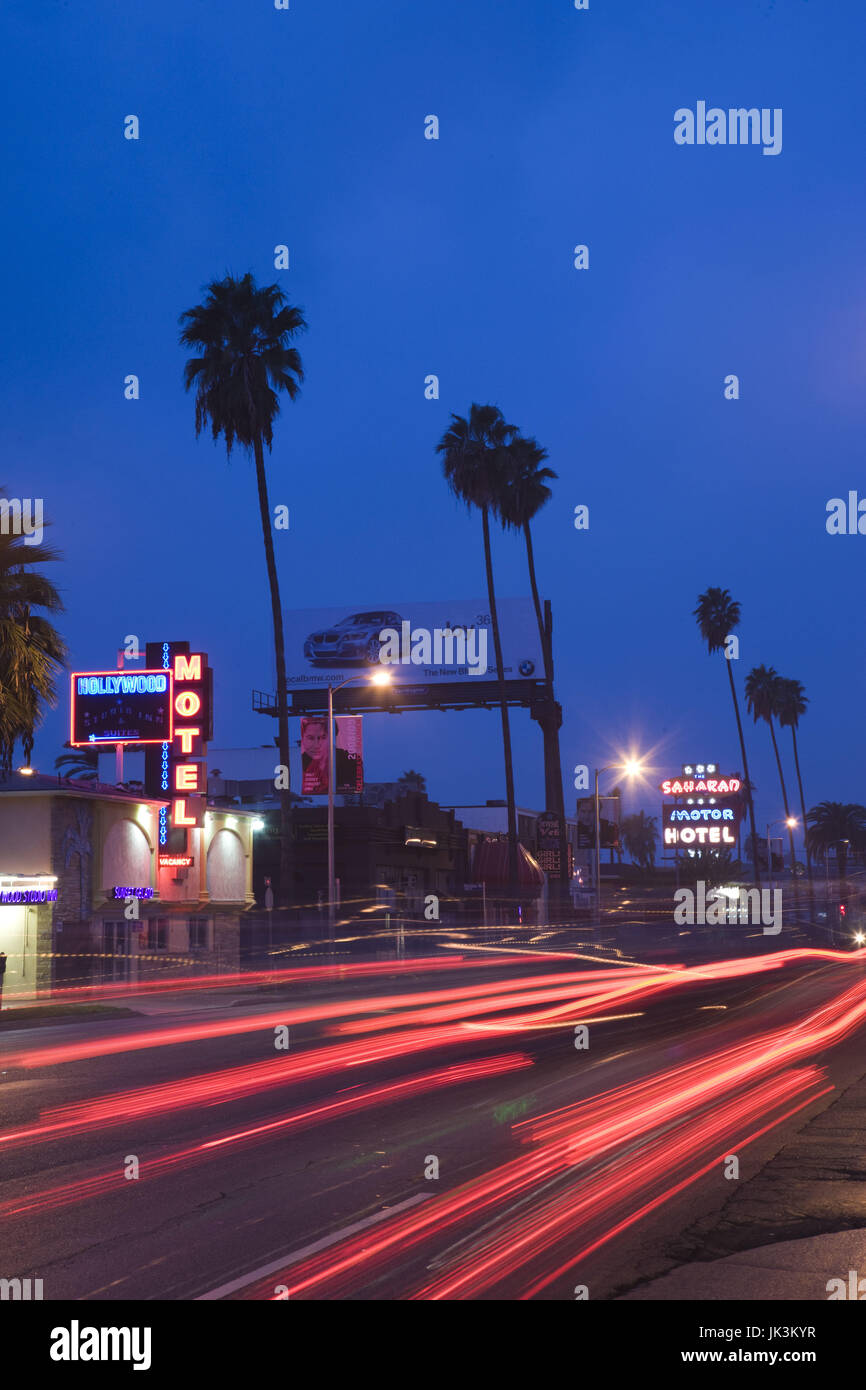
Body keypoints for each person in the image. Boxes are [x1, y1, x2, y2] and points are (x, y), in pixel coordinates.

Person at [300, 718, 361, 794]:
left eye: (323, 737)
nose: (316, 744)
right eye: (311, 738)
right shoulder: (300, 761)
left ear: (333, 737)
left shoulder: (350, 760)